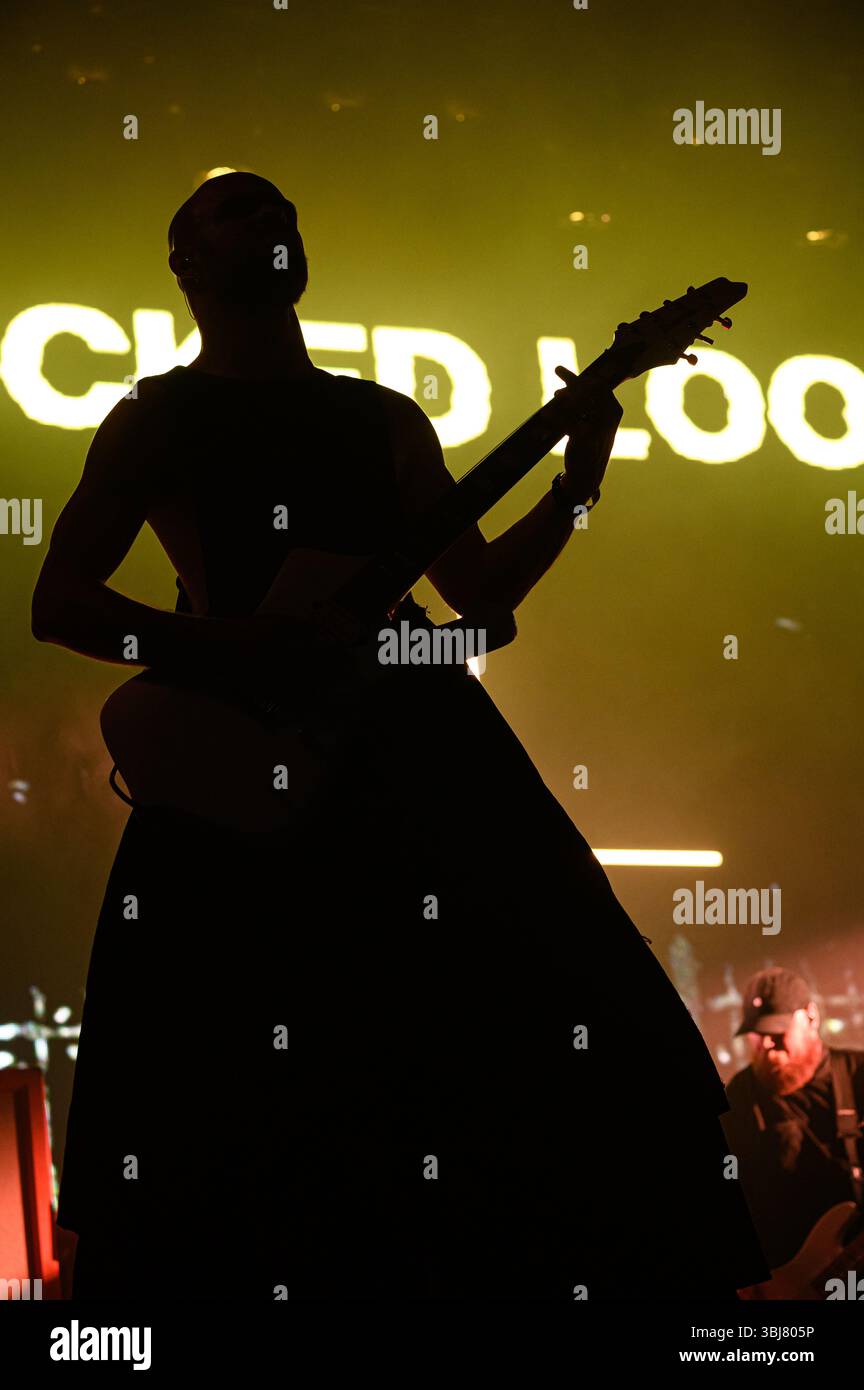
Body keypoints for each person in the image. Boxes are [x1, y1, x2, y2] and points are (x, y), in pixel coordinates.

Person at [33, 170, 767, 1299]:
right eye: (241, 211)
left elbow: (477, 608)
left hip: (416, 751)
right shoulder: (155, 418)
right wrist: (232, 648)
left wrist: (580, 479)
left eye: (283, 209)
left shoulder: (381, 417)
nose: (272, 220)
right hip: (249, 771)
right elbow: (63, 602)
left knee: (576, 1008)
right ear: (184, 264)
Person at [723, 967, 864, 1274]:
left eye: (776, 1032)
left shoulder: (858, 1076)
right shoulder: (738, 1098)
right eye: (756, 1036)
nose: (768, 1048)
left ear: (811, 1017)